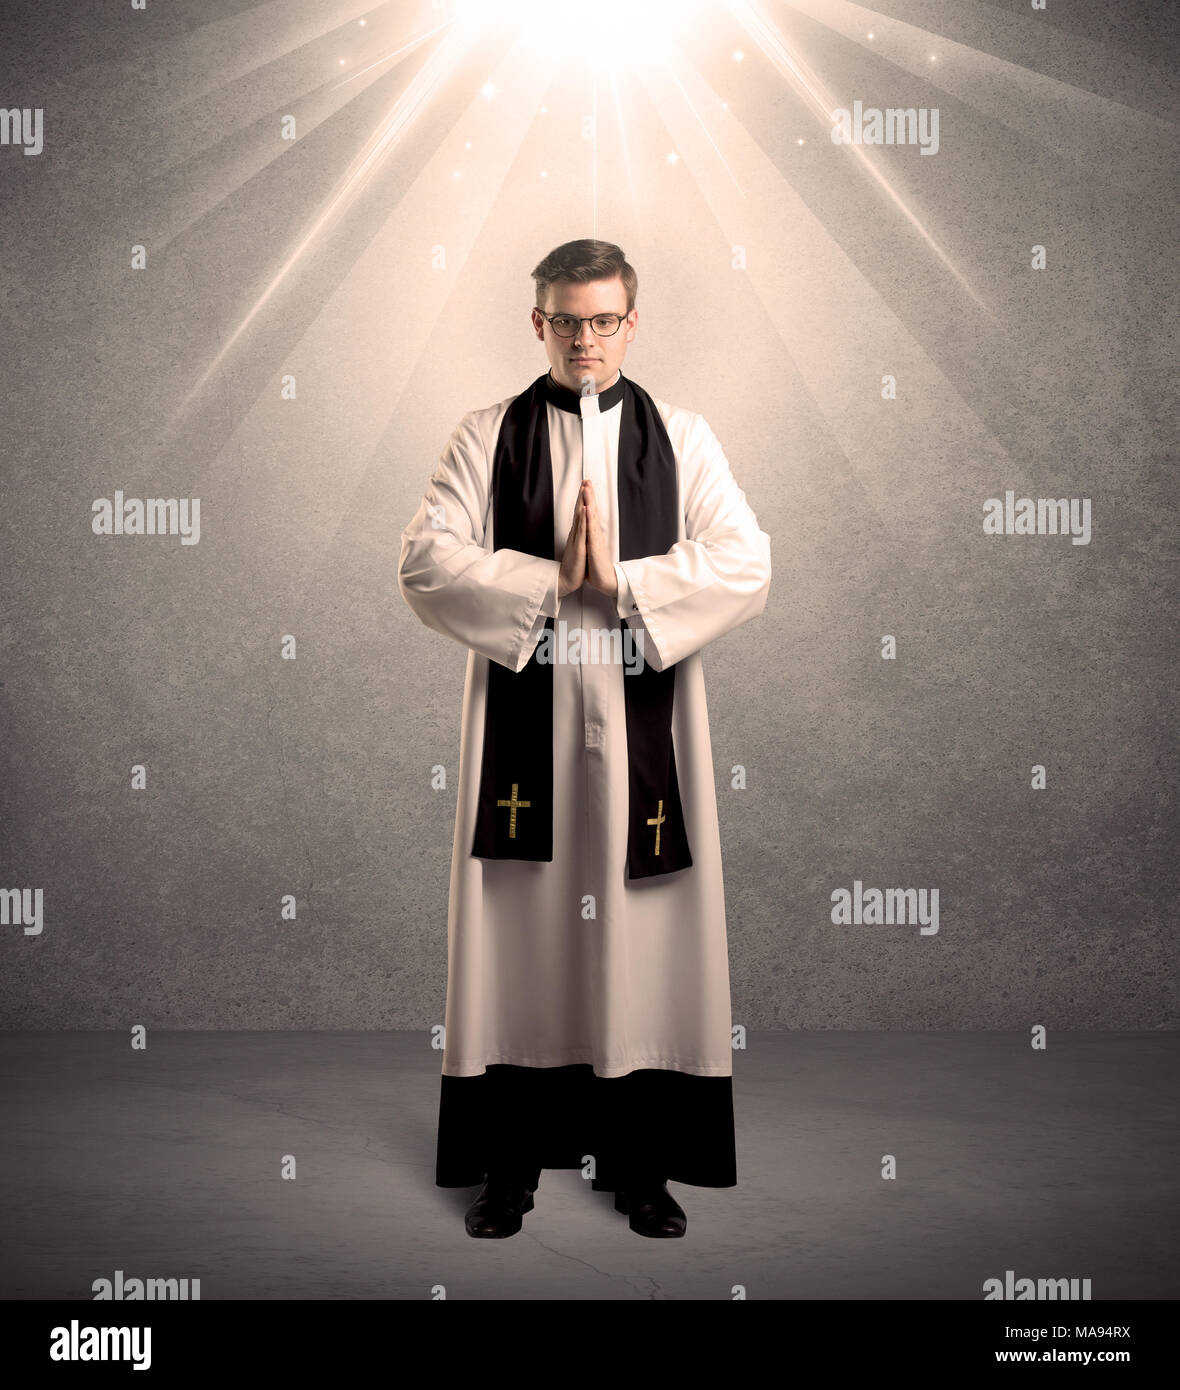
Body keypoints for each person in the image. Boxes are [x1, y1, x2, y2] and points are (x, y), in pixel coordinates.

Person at [398, 238, 771, 1239]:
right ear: (538, 324)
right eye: (565, 320)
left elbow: (747, 561)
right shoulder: (486, 437)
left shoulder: (681, 438)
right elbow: (425, 564)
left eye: (604, 319)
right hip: (529, 736)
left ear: (630, 323)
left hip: (647, 732)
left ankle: (641, 1167)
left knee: (642, 940)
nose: (585, 339)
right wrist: (550, 582)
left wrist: (626, 585)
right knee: (523, 937)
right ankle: (508, 1166)